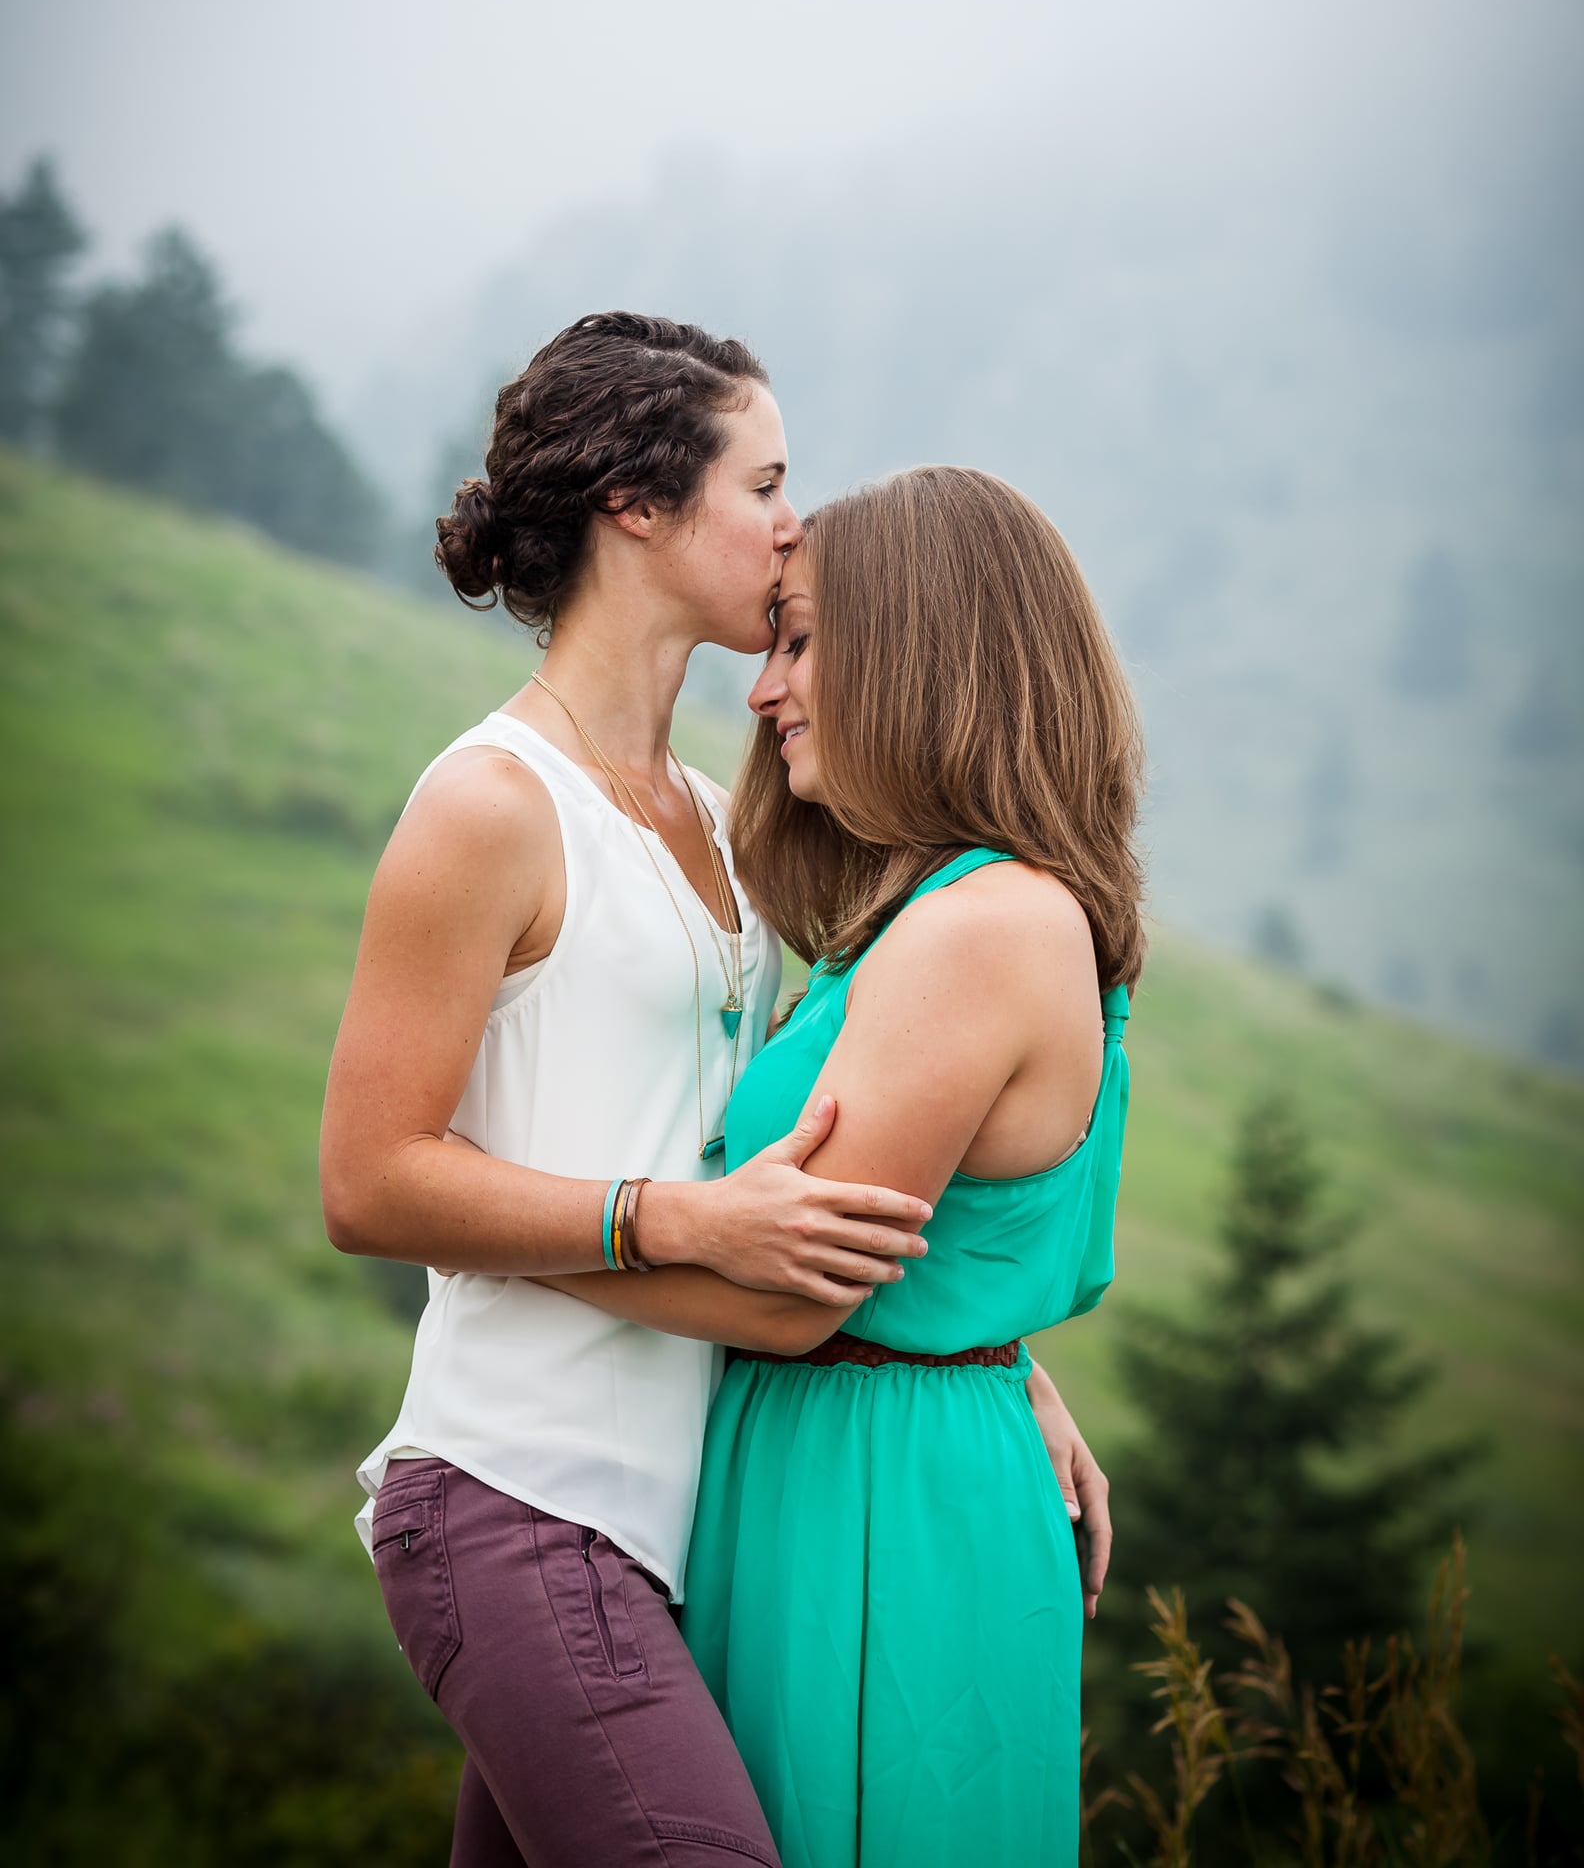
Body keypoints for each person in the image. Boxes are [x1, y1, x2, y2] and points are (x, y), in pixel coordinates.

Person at [320, 313, 947, 1868]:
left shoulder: (731, 829)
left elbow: (810, 1143)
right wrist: (674, 1219)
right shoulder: (489, 807)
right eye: (766, 481)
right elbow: (370, 1178)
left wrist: (994, 1367)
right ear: (641, 508)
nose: (795, 524)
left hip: (677, 1537)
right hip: (517, 1499)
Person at [536, 465, 1144, 1868]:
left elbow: (797, 1296)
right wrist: (1004, 1361)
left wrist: (498, 1238)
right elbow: (915, 1243)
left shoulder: (984, 925)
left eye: (800, 642)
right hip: (849, 1451)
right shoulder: (926, 914)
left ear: (921, 653)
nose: (763, 689)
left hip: (879, 1506)